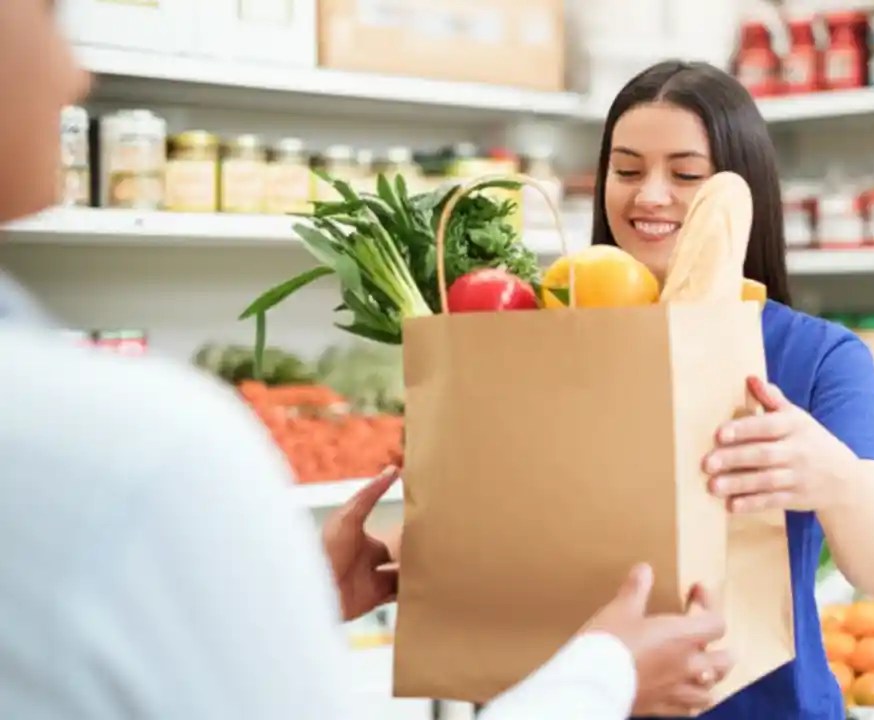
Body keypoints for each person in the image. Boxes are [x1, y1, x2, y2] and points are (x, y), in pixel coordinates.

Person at [0, 1, 731, 718]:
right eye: (50, 14)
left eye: (686, 173)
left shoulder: (114, 437)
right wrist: (604, 676)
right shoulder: (146, 447)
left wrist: (310, 599)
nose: (77, 75)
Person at [592, 60, 874, 719]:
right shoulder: (559, 336)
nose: (649, 196)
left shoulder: (817, 355)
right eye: (626, 170)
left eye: (686, 175)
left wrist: (834, 479)